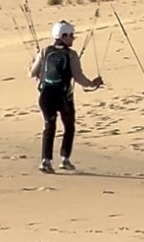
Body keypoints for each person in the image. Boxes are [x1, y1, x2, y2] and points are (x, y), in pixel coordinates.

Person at [30, 20, 103, 174]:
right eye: (71, 36)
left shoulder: (44, 52)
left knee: (49, 127)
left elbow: (31, 73)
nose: (72, 39)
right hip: (63, 97)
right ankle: (65, 159)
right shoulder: (71, 54)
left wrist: (35, 66)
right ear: (63, 36)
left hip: (45, 96)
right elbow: (78, 77)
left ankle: (45, 161)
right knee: (69, 126)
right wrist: (92, 84)